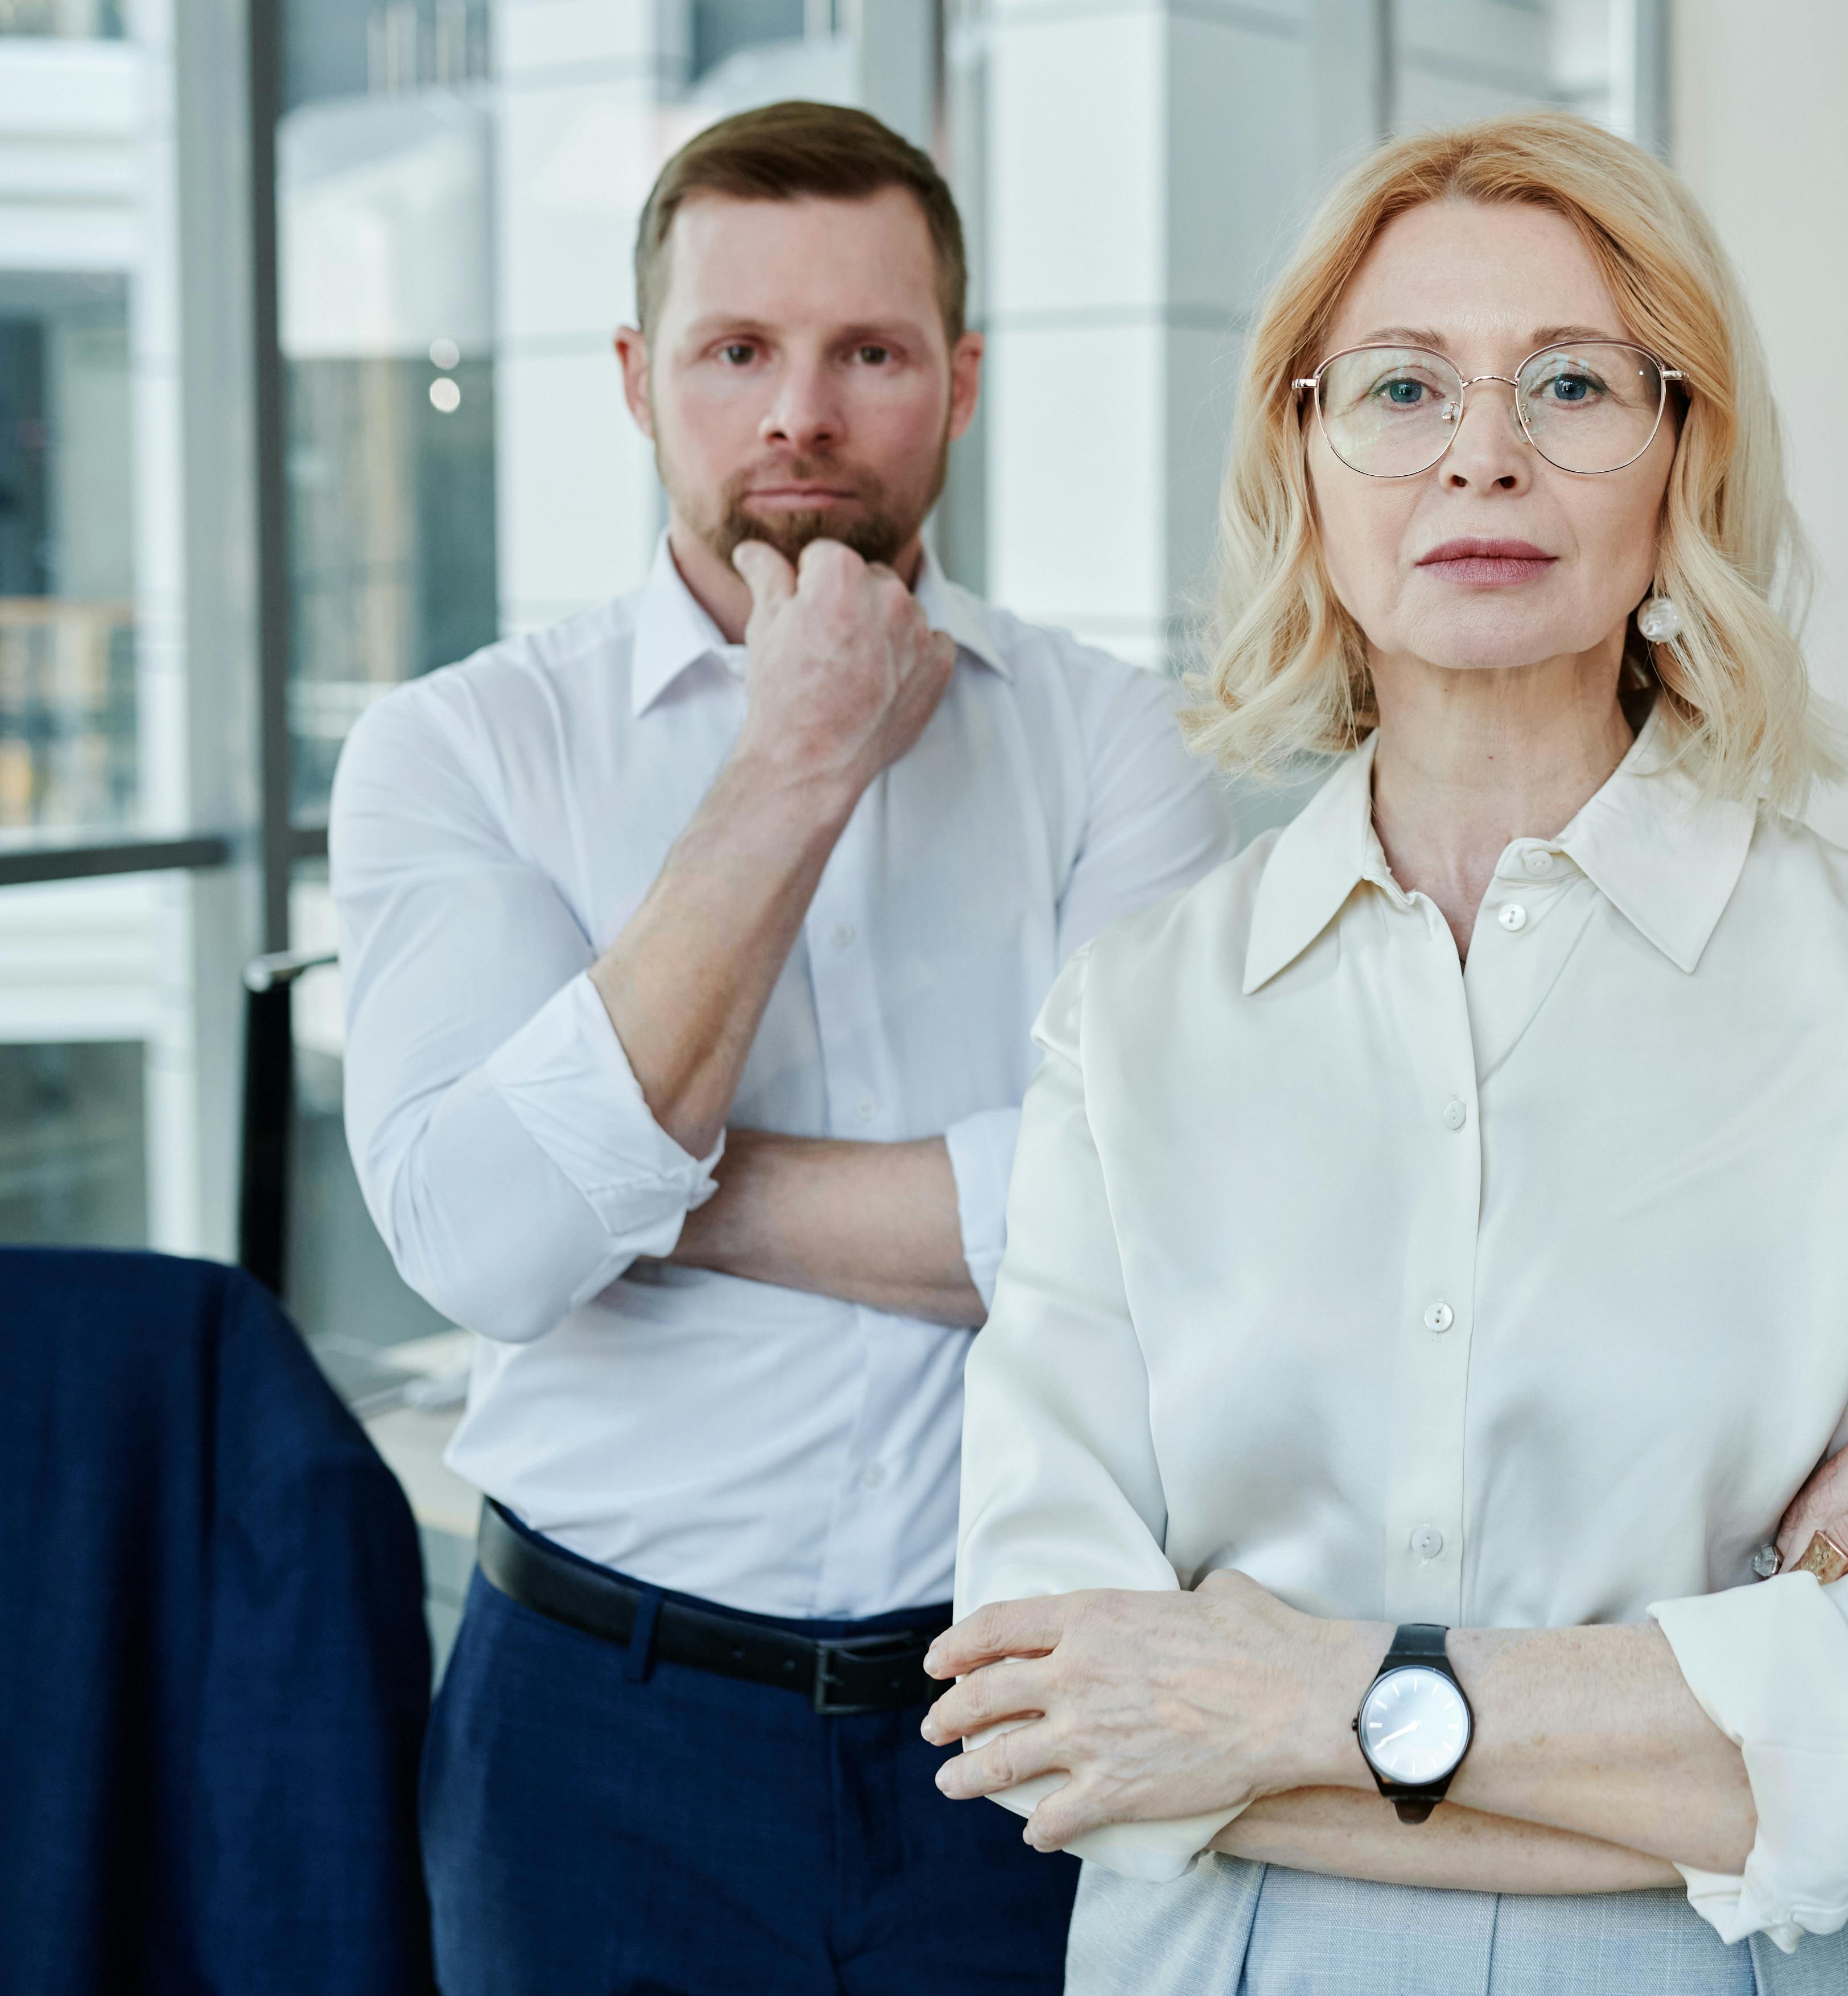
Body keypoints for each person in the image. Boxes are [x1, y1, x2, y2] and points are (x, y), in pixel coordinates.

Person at [916, 112, 1848, 1994]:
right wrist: (1736, 1705)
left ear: (1679, 464)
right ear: (1302, 462)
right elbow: (1047, 1707)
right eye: (1399, 387)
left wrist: (1305, 1695)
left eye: (1571, 383)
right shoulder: (1133, 1014)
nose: (1482, 450)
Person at [330, 102, 1231, 1994]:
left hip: (1015, 1727)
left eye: (868, 353)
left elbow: (1146, 1240)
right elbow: (490, 1248)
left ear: (961, 382)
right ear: (638, 377)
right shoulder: (461, 749)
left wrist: (637, 1181)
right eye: (737, 350)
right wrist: (796, 757)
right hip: (592, 1728)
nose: (796, 414)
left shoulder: (1109, 742)